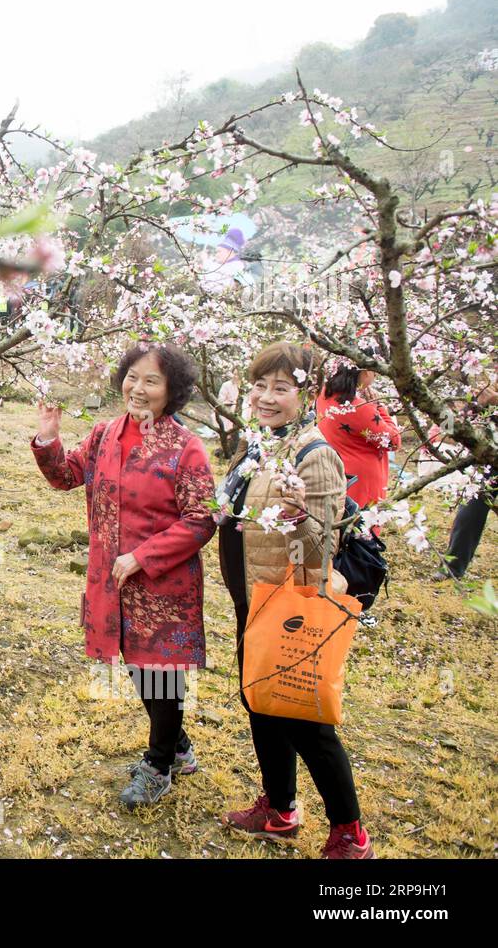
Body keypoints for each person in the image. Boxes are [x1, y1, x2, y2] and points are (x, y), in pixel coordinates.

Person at [32, 342, 217, 808]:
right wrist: (48, 439)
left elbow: (201, 519)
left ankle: (159, 765)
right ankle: (178, 748)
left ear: (171, 392)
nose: (138, 388)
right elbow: (66, 476)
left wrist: (143, 557)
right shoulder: (105, 434)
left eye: (151, 380)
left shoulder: (185, 449)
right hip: (110, 580)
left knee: (161, 675)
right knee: (140, 671)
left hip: (161, 585)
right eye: (133, 376)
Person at [218, 342, 373, 859]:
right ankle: (280, 809)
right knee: (261, 703)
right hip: (253, 601)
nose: (265, 397)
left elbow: (318, 560)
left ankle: (350, 834)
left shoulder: (315, 455)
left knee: (306, 721)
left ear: (304, 395)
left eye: (280, 388)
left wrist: (302, 518)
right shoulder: (262, 444)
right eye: (259, 385)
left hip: (288, 609)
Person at [317, 359, 402, 508]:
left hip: (333, 472)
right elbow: (393, 441)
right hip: (361, 482)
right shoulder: (359, 408)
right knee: (362, 525)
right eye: (375, 373)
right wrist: (380, 407)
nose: (375, 377)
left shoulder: (324, 394)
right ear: (366, 371)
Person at [435, 377, 498, 578]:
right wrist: (476, 404)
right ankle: (452, 568)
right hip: (489, 460)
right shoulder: (486, 391)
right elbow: (446, 432)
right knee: (471, 509)